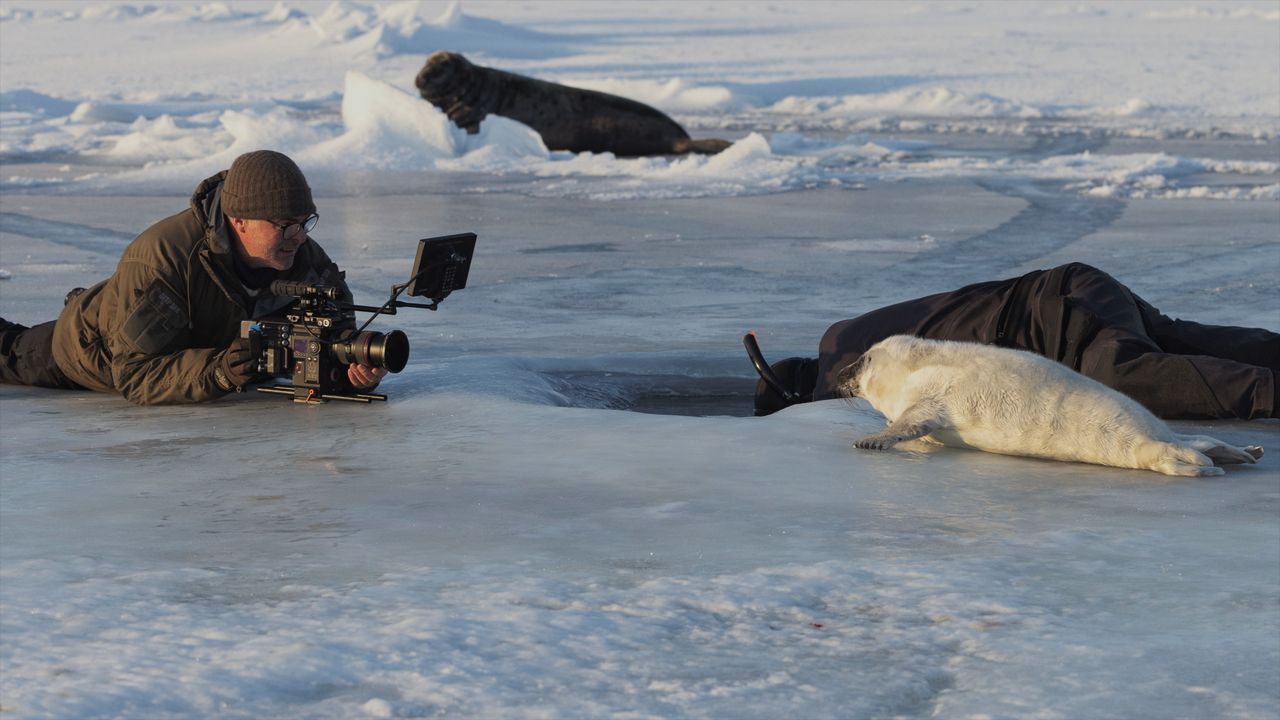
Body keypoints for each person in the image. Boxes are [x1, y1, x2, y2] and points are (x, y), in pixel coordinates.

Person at [0, 150, 387, 405]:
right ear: (240, 220)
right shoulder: (162, 257)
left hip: (166, 328)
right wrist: (219, 371)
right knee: (10, 352)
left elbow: (336, 335)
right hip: (88, 350)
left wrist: (353, 371)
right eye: (286, 225)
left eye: (305, 222)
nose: (300, 237)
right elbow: (134, 373)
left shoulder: (301, 254)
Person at [752, 263, 1278, 420]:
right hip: (1071, 289)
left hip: (1058, 320)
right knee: (1172, 339)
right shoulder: (844, 334)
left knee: (1120, 378)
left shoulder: (849, 369)